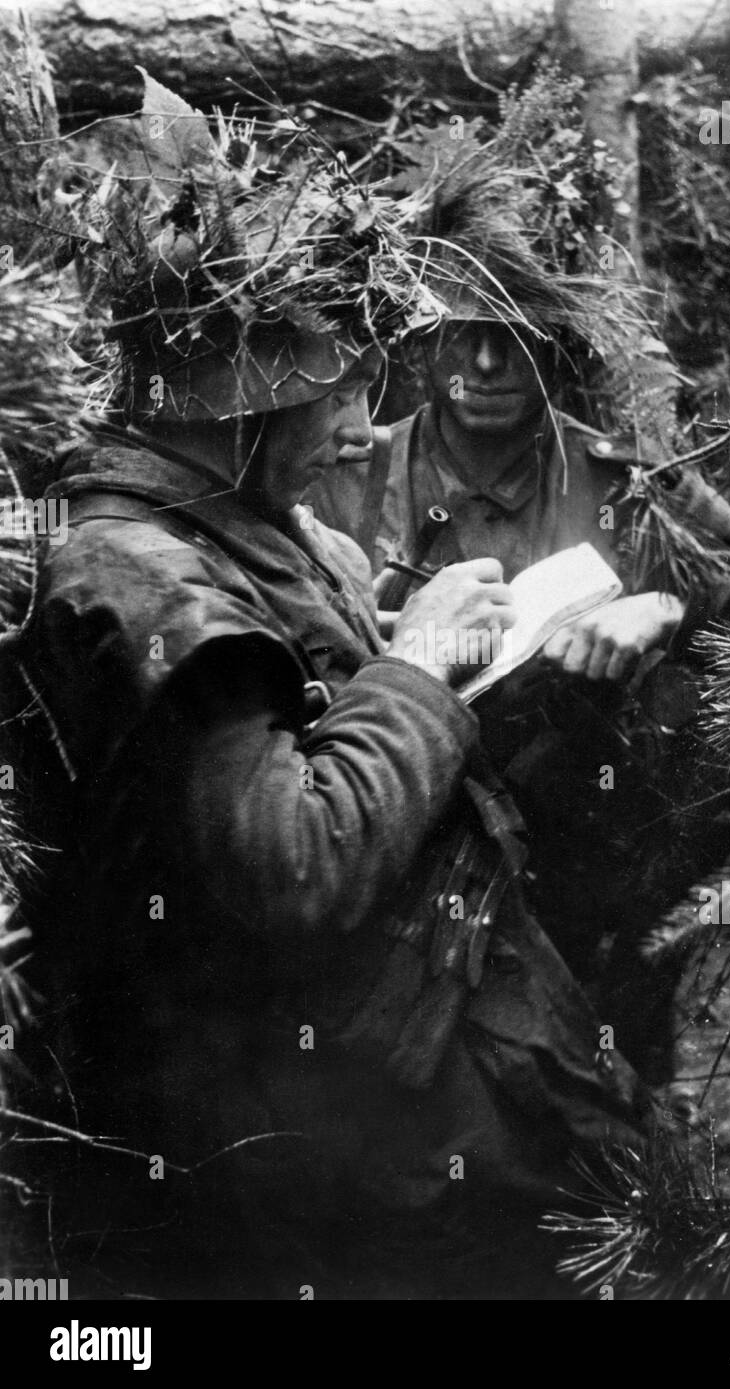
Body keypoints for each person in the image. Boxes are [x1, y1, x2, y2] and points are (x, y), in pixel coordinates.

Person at [12, 83, 651, 1300]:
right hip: (304, 1125)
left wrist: (399, 631)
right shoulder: (143, 577)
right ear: (239, 409)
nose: (368, 431)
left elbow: (295, 718)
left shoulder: (224, 521)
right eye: (340, 395)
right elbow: (292, 860)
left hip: (389, 1043)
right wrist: (413, 666)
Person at [304, 209, 730, 1081]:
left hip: (589, 854)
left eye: (511, 338)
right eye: (462, 334)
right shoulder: (348, 469)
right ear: (425, 339)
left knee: (602, 1090)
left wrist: (660, 604)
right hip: (402, 849)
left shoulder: (624, 475)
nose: (482, 365)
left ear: (558, 346)